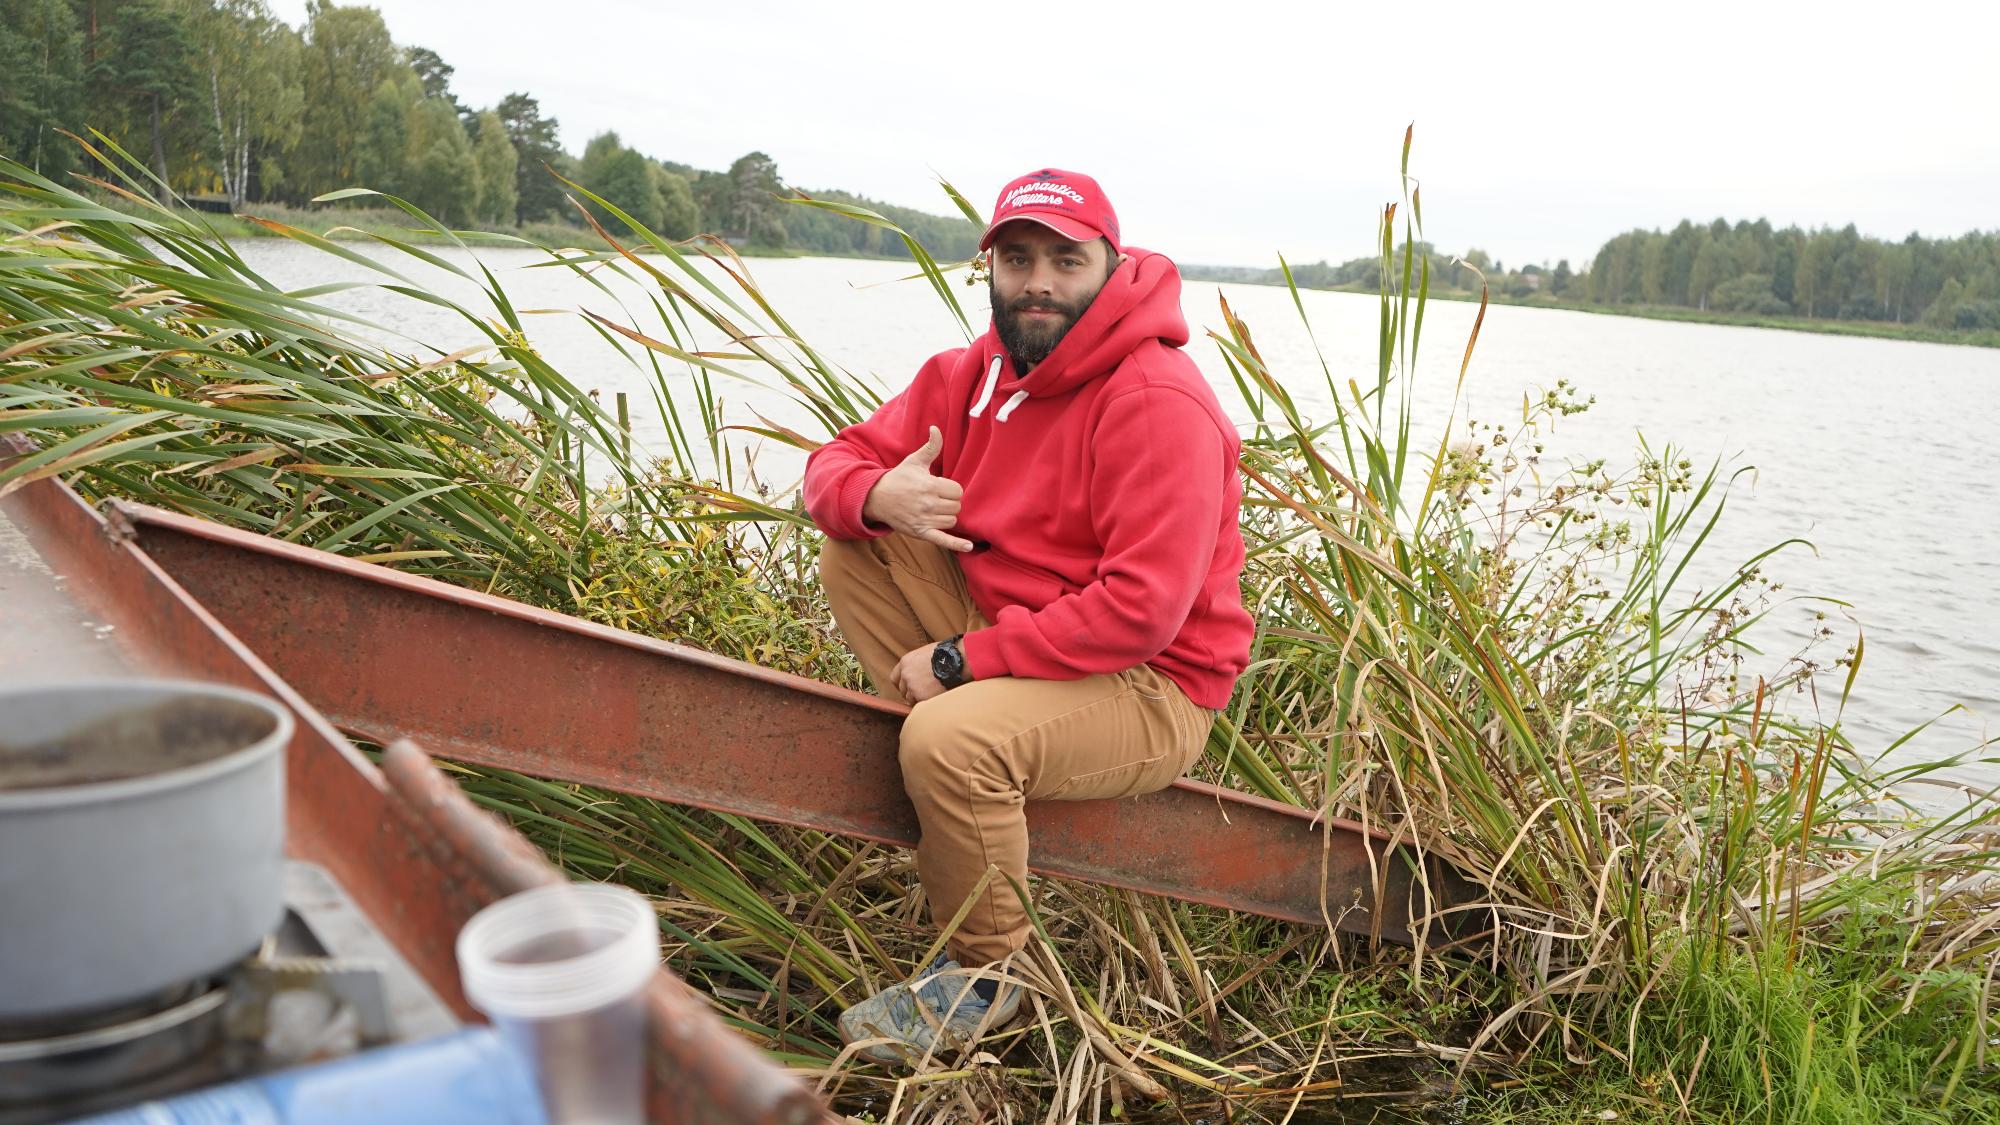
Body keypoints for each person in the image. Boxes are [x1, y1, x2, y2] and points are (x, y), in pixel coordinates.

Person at [803, 168, 1252, 1064]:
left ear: (1110, 267)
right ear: (993, 270)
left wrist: (963, 662)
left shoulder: (1157, 399)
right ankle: (970, 785)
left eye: (1063, 258)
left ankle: (987, 975)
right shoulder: (973, 373)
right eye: (1016, 258)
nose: (1036, 280)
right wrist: (877, 489)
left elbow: (1142, 611)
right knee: (855, 543)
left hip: (1150, 685)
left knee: (951, 741)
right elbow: (832, 463)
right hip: (1033, 641)